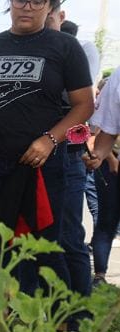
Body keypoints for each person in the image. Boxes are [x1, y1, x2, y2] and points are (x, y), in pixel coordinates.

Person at [0, 0, 93, 294]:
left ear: (49, 7)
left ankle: (58, 323)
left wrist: (50, 140)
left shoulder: (65, 47)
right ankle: (7, 319)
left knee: (45, 246)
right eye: (19, 0)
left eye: (37, 1)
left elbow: (84, 105)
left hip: (42, 164)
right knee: (1, 243)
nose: (27, 7)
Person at [44, 4, 100, 302]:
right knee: (36, 238)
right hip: (28, 155)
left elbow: (80, 102)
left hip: (66, 152)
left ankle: (76, 313)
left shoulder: (80, 48)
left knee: (68, 235)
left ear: (58, 16)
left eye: (48, 14)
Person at [85, 68, 120, 286]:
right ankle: (99, 275)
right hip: (111, 166)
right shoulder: (117, 77)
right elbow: (108, 128)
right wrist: (98, 155)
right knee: (106, 221)